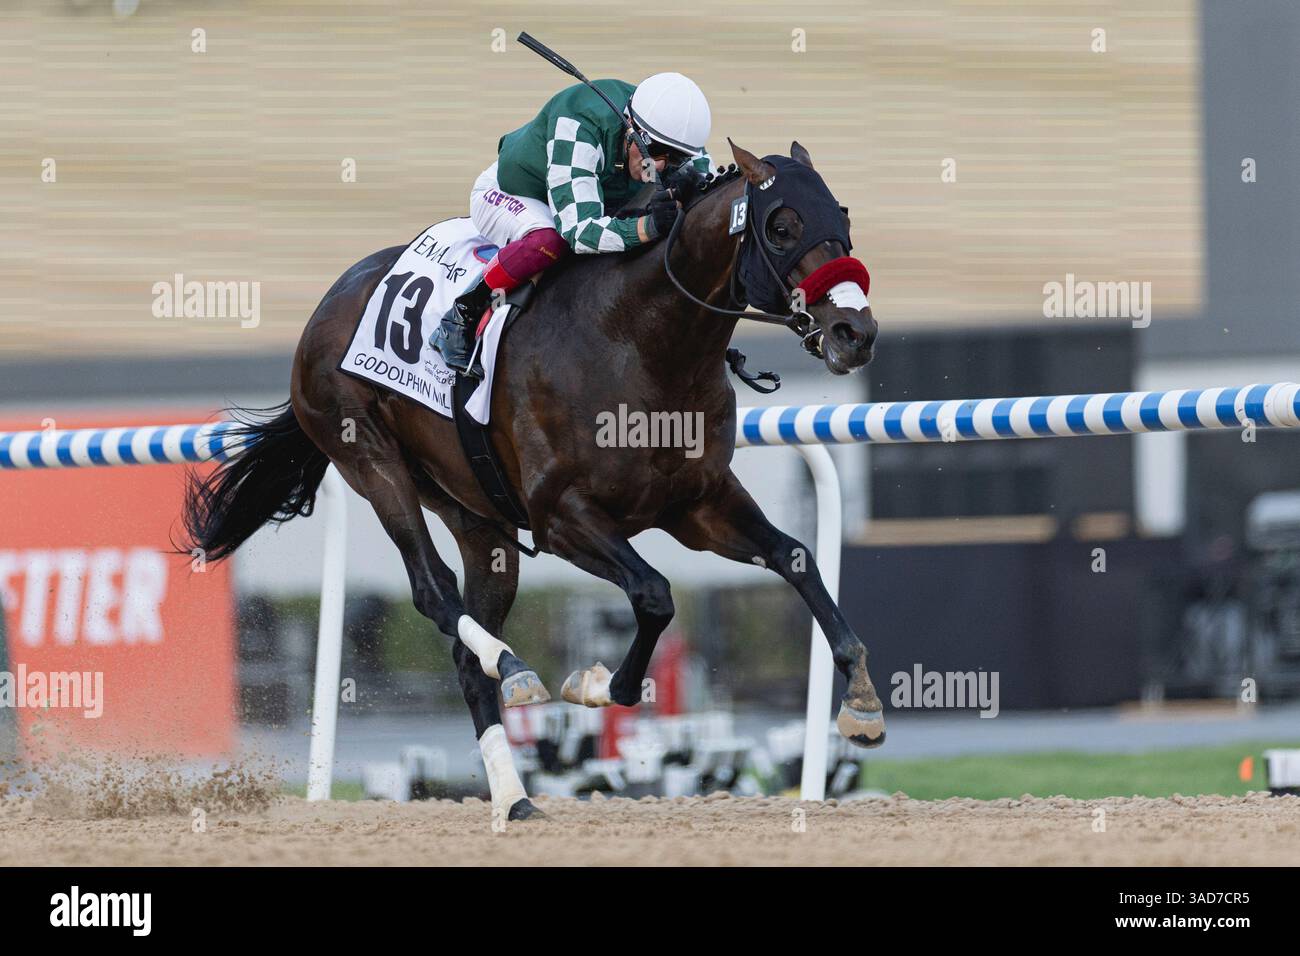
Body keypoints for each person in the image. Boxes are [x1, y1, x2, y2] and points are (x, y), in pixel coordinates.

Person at [430, 72, 714, 376]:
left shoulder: (671, 132)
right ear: (632, 128)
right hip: (513, 192)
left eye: (675, 158)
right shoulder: (580, 122)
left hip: (590, 193)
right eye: (656, 153)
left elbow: (706, 190)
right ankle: (461, 316)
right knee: (551, 241)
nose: (659, 167)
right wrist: (648, 227)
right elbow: (579, 233)